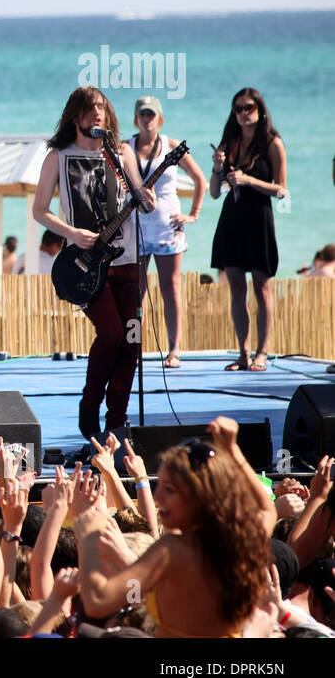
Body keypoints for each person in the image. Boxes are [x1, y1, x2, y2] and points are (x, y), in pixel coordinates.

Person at [73, 417, 274, 637]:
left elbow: (97, 602)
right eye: (159, 486)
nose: (157, 496)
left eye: (169, 489)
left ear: (199, 495)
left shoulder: (173, 550)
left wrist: (89, 536)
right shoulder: (243, 539)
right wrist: (232, 451)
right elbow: (267, 509)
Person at [32, 86, 155, 438]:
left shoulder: (121, 153)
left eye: (101, 108)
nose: (96, 114)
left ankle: (117, 419)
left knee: (131, 340)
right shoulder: (58, 156)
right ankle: (90, 405)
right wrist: (71, 232)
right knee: (112, 333)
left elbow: (141, 199)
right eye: (89, 109)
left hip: (128, 260)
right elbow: (39, 210)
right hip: (87, 265)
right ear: (75, 116)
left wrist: (146, 198)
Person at [210, 88, 288, 372]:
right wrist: (218, 170)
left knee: (262, 288)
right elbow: (215, 193)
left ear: (260, 110)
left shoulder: (272, 143)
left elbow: (281, 190)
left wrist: (248, 180)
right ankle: (243, 353)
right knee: (236, 289)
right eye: (238, 108)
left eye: (249, 107)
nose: (243, 113)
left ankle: (261, 352)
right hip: (231, 217)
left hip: (259, 218)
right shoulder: (229, 143)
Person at [129, 96, 208, 368]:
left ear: (159, 118)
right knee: (134, 291)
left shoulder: (171, 146)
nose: (147, 119)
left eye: (151, 114)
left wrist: (193, 215)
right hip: (136, 226)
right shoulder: (126, 147)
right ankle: (133, 348)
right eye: (142, 114)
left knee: (170, 287)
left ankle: (174, 350)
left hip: (167, 225)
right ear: (136, 118)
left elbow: (201, 180)